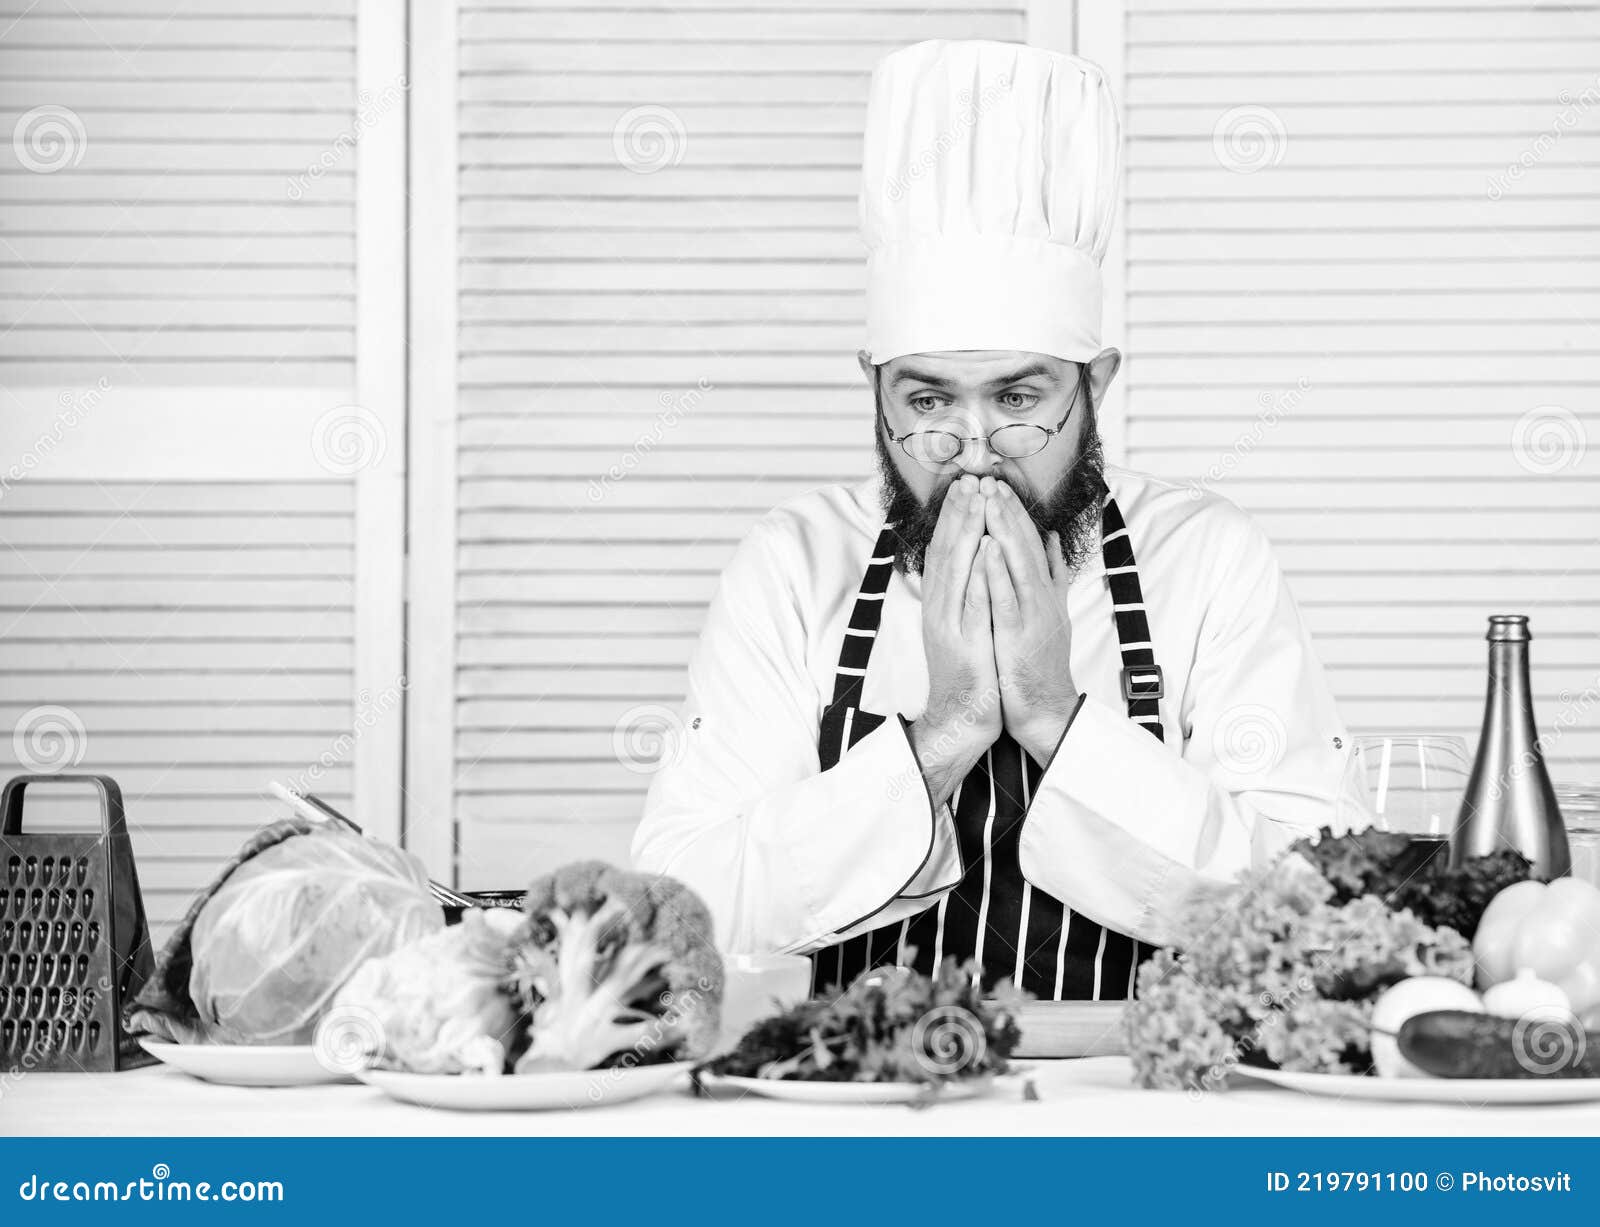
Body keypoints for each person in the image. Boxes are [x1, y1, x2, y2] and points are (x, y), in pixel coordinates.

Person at [632, 39, 1353, 1000]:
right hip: (870, 1104)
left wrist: (1054, 711)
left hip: (1139, 1104)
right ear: (873, 388)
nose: (974, 450)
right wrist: (947, 730)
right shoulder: (794, 564)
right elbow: (691, 905)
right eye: (928, 403)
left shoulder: (1208, 559)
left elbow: (1307, 910)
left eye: (1019, 398)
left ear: (1096, 387)